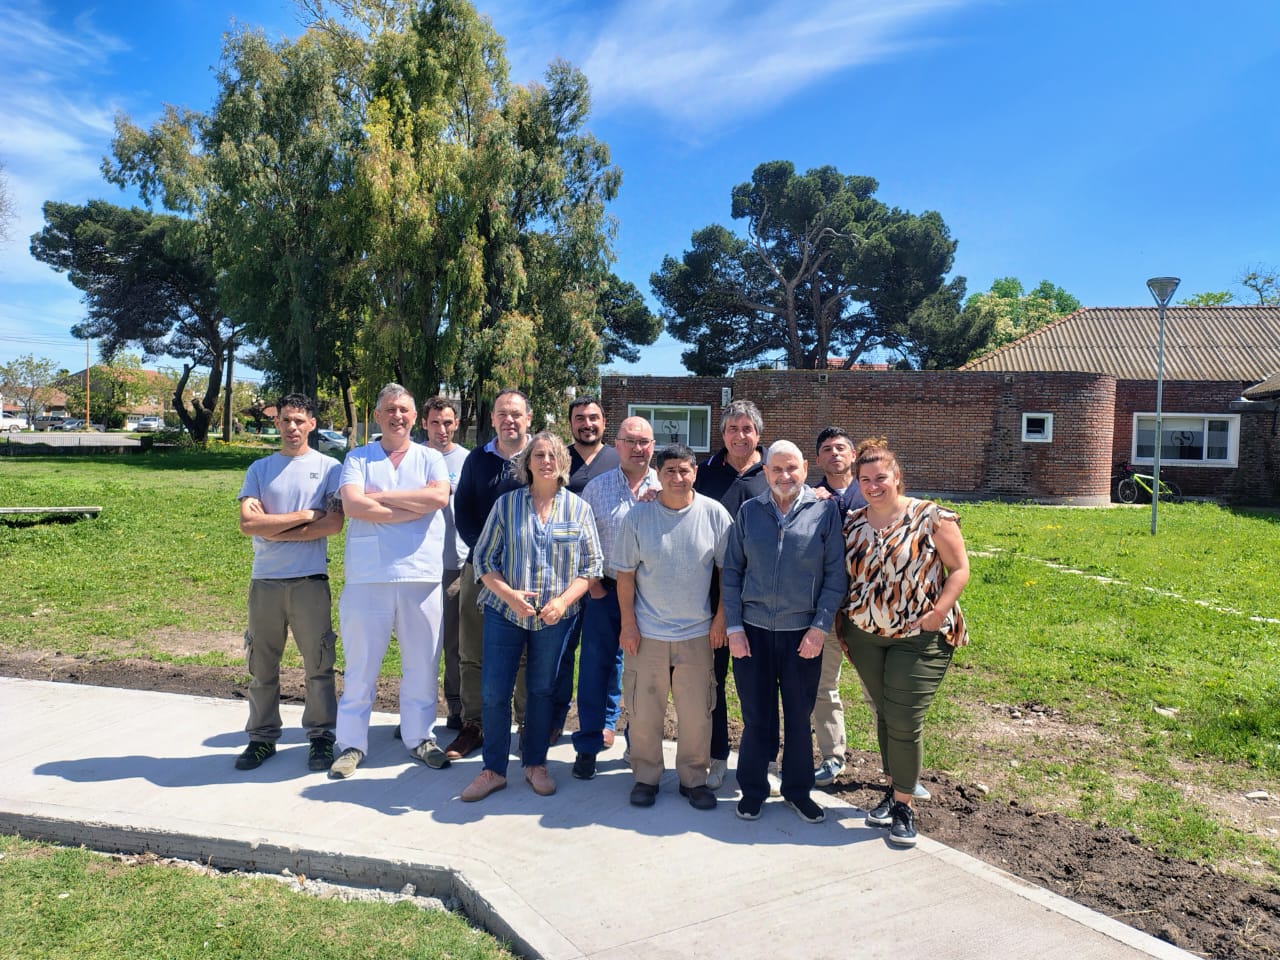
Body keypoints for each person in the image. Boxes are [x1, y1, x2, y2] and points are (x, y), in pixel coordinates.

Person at [837, 437, 971, 847]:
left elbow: (960, 568)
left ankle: (904, 807)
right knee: (885, 713)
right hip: (865, 635)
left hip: (921, 636)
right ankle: (892, 789)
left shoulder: (931, 517)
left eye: (881, 477)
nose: (873, 485)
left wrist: (938, 612)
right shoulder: (853, 522)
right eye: (865, 479)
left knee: (905, 718)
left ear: (897, 477)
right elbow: (847, 578)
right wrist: (843, 625)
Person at [460, 432, 602, 801]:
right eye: (539, 454)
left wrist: (563, 602)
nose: (546, 461)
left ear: (563, 464)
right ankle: (492, 769)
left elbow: (592, 566)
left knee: (541, 690)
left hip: (555, 618)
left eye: (554, 455)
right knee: (494, 691)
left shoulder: (578, 509)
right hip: (504, 613)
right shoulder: (507, 505)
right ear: (527, 463)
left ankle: (535, 763)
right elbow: (484, 559)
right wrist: (508, 594)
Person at [329, 384, 451, 779]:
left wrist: (381, 501)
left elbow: (438, 499)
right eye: (389, 410)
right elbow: (352, 504)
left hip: (421, 575)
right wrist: (407, 506)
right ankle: (350, 743)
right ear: (378, 416)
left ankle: (420, 738)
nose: (397, 416)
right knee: (361, 664)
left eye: (404, 410)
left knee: (422, 663)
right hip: (368, 576)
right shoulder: (357, 458)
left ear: (415, 417)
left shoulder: (431, 457)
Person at [722, 440, 847, 822]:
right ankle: (754, 788)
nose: (784, 476)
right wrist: (734, 627)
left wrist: (818, 628)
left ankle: (797, 790)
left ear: (804, 468)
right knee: (757, 716)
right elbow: (731, 573)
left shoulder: (824, 512)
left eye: (791, 468)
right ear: (766, 472)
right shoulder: (749, 512)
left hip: (802, 635)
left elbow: (835, 576)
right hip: (753, 633)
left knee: (797, 716)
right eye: (776, 469)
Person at [615, 443, 733, 811]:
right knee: (645, 712)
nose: (678, 478)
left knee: (698, 714)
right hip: (648, 633)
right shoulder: (638, 517)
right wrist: (628, 625)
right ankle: (646, 778)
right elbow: (625, 577)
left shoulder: (714, 514)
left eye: (685, 471)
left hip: (697, 633)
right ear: (658, 475)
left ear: (695, 473)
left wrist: (720, 619)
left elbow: (728, 573)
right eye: (670, 472)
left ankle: (694, 780)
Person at [234, 393, 344, 772]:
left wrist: (274, 527)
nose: (292, 427)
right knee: (262, 666)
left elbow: (332, 523)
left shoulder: (330, 467)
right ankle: (262, 738)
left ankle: (320, 737)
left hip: (309, 582)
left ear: (312, 424)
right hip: (265, 581)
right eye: (285, 420)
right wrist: (302, 517)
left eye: (299, 420)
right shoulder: (260, 469)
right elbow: (248, 524)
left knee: (318, 664)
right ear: (276, 423)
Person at [447, 388, 534, 760]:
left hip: (527, 571)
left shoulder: (541, 456)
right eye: (502, 413)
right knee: (472, 650)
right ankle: (474, 724)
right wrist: (484, 556)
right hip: (479, 570)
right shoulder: (477, 460)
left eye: (516, 413)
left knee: (527, 652)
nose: (509, 420)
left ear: (528, 418)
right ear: (493, 418)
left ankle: (528, 723)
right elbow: (463, 510)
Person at [572, 416, 660, 780]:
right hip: (604, 591)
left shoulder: (667, 484)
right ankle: (589, 746)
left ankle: (636, 743)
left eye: (645, 442)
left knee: (644, 675)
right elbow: (583, 538)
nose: (638, 448)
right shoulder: (597, 487)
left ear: (653, 447)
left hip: (652, 597)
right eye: (631, 441)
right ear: (617, 444)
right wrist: (593, 585)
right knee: (595, 669)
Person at [694, 399, 770, 789]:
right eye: (732, 429)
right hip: (713, 598)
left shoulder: (772, 473)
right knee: (714, 681)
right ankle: (717, 753)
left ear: (758, 433)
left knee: (759, 683)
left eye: (747, 429)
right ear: (722, 434)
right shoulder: (704, 473)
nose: (740, 436)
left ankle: (764, 759)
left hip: (764, 601)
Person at [549, 395, 623, 740]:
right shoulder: (559, 460)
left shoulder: (617, 459)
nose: (587, 424)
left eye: (593, 417)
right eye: (580, 418)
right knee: (561, 651)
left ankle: (606, 721)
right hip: (561, 575)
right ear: (571, 423)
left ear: (604, 423)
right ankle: (555, 718)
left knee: (609, 655)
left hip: (604, 581)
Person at [810, 426, 865, 787]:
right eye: (827, 449)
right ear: (818, 459)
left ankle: (898, 768)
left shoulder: (871, 491)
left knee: (879, 690)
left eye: (841, 447)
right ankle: (833, 756)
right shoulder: (809, 497)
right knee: (823, 685)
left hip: (868, 609)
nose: (834, 453)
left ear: (853, 454)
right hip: (827, 607)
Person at [423, 396, 469, 732]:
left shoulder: (467, 460)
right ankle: (418, 710)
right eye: (436, 422)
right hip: (418, 564)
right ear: (424, 423)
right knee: (421, 644)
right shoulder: (413, 458)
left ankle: (456, 708)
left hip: (455, 563)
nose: (442, 428)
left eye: (448, 422)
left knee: (455, 644)